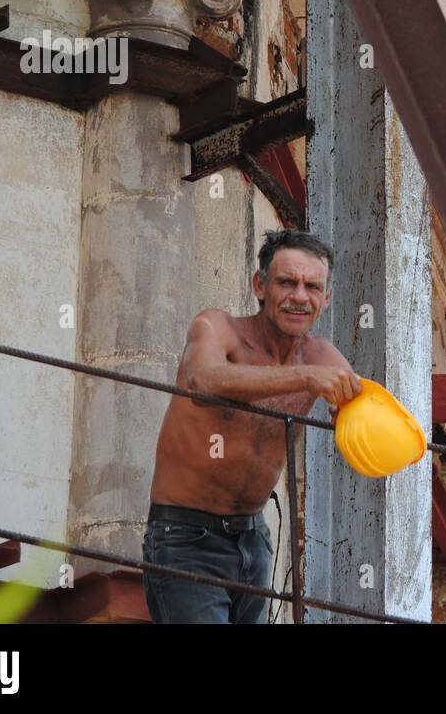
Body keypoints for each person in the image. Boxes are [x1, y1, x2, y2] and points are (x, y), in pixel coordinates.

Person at [143, 230, 361, 623]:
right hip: (186, 537)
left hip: (254, 541)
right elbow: (204, 380)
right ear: (260, 285)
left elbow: (370, 413)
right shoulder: (217, 327)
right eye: (286, 282)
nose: (299, 296)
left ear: (326, 298)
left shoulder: (322, 355)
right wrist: (306, 378)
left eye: (313, 286)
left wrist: (358, 419)